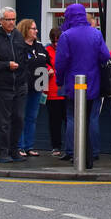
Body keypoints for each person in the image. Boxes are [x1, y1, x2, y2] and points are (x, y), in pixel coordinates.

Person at [55, 3, 110, 168]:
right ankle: (93, 152)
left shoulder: (66, 35)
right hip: (93, 82)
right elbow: (105, 56)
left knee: (72, 117)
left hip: (73, 83)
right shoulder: (96, 33)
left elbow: (60, 62)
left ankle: (72, 151)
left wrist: (59, 81)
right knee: (92, 118)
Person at [0, 6, 27, 163]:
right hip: (3, 85)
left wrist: (22, 75)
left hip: (20, 84)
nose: (11, 22)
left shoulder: (17, 35)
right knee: (4, 122)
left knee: (19, 119)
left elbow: (23, 58)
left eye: (13, 19)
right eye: (8, 19)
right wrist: (5, 65)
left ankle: (14, 150)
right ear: (1, 20)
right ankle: (2, 152)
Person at [16, 18, 48, 157]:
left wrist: (49, 70)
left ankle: (29, 146)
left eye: (36, 28)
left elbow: (47, 60)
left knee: (32, 117)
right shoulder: (18, 45)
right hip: (23, 85)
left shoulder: (39, 46)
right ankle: (19, 146)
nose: (36, 31)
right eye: (33, 28)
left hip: (38, 85)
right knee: (20, 116)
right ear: (25, 30)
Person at [45, 25, 66, 157]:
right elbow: (42, 62)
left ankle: (71, 145)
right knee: (54, 122)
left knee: (68, 121)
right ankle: (56, 146)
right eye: (54, 41)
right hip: (52, 92)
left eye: (58, 41)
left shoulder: (67, 48)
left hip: (65, 91)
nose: (56, 44)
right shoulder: (47, 50)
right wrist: (48, 68)